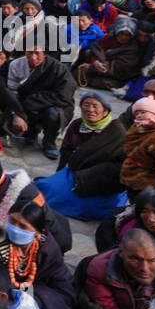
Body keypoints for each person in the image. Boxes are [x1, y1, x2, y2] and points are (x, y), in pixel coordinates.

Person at [34, 91, 127, 220]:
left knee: (86, 205)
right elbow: (66, 151)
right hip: (75, 173)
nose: (90, 110)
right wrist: (59, 175)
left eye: (95, 106)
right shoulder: (77, 124)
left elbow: (118, 167)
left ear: (105, 111)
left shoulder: (117, 132)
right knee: (46, 189)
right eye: (86, 105)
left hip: (100, 180)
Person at [120, 96, 155, 195]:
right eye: (137, 113)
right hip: (133, 181)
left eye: (143, 112)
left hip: (149, 186)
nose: (139, 115)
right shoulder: (136, 131)